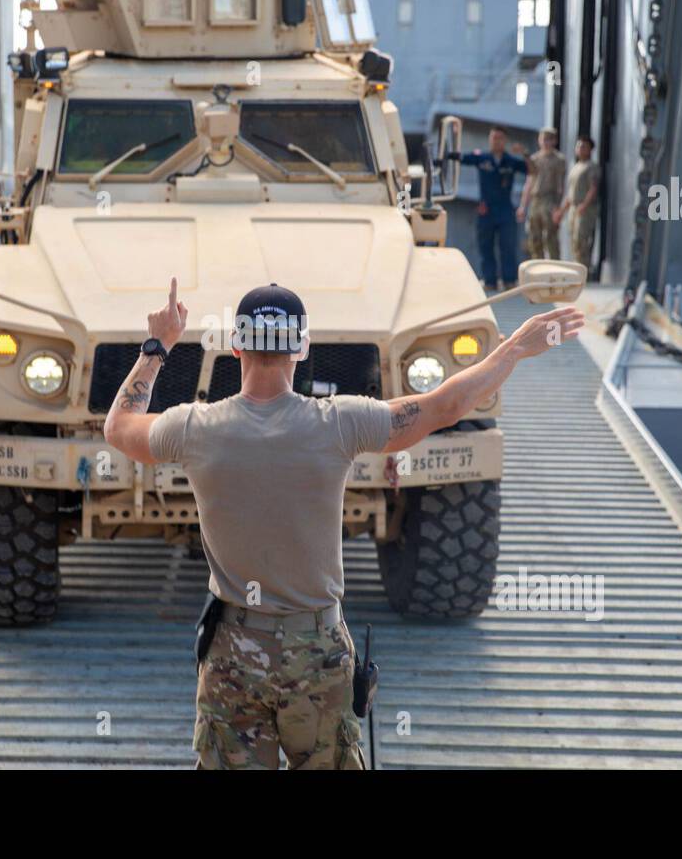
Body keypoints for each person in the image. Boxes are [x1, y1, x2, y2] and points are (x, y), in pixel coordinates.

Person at [103, 278, 585, 770]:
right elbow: (445, 406)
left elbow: (118, 427)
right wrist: (514, 348)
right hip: (318, 653)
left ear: (236, 346)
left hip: (232, 651)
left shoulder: (193, 428)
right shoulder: (339, 423)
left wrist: (157, 345)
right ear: (303, 348)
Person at [460, 126, 530, 291]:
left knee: (508, 246)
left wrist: (524, 153)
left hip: (506, 210)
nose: (495, 141)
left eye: (499, 138)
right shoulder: (482, 158)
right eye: (493, 137)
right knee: (485, 246)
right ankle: (489, 280)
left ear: (504, 141)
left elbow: (532, 170)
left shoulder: (511, 161)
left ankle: (509, 280)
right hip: (486, 210)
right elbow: (461, 158)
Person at [518, 127, 567, 260]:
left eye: (549, 139)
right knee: (534, 237)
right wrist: (523, 206)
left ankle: (554, 268)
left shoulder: (559, 159)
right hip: (536, 200)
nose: (546, 142)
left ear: (554, 141)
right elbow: (529, 183)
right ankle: (538, 266)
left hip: (550, 200)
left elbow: (561, 185)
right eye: (543, 139)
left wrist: (559, 207)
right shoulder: (534, 159)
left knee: (550, 237)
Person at [555, 134, 600, 272]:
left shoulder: (591, 166)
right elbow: (570, 193)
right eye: (578, 146)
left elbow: (593, 188)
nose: (580, 149)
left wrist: (584, 205)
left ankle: (583, 270)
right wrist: (562, 211)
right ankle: (577, 269)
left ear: (590, 150)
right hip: (573, 208)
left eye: (584, 147)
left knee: (582, 240)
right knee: (574, 240)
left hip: (585, 209)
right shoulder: (575, 167)